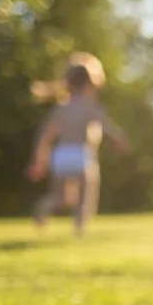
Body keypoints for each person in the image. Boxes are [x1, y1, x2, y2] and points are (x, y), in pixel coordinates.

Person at [27, 53, 129, 237]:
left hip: (60, 155)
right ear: (90, 84)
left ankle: (43, 208)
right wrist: (119, 138)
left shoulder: (61, 108)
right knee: (85, 194)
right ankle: (79, 227)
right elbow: (107, 127)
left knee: (60, 197)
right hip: (81, 154)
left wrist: (39, 159)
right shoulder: (90, 106)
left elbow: (46, 135)